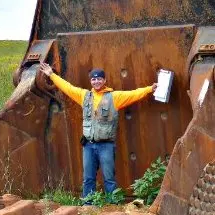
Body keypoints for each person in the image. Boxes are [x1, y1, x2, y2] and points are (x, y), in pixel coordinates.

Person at [40, 63, 157, 198]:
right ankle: (88, 205)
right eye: (94, 79)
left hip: (106, 145)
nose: (96, 81)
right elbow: (67, 88)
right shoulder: (84, 96)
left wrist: (150, 89)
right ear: (91, 81)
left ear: (104, 80)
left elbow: (134, 94)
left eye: (99, 79)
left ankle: (112, 204)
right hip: (88, 145)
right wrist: (51, 75)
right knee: (88, 178)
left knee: (109, 179)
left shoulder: (115, 97)